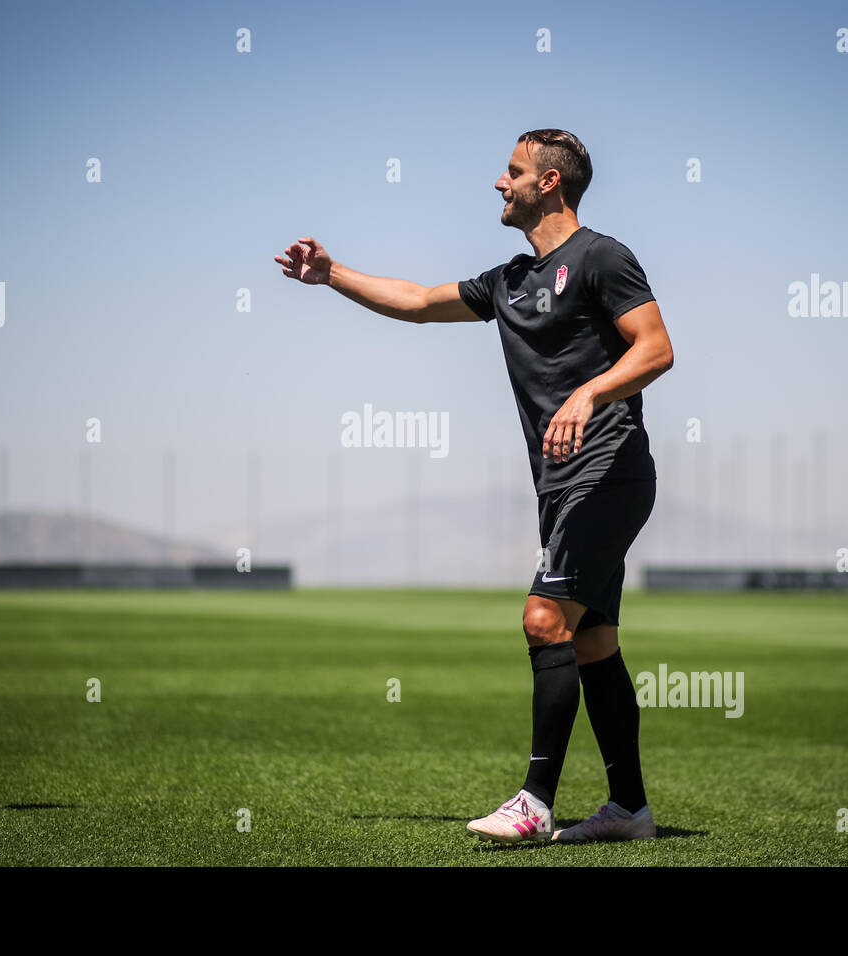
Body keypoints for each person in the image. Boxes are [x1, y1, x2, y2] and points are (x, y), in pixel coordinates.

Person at [275, 129, 674, 844]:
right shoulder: (510, 281)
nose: (499, 182)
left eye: (513, 171)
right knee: (594, 643)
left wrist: (589, 396)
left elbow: (656, 348)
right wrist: (331, 275)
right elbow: (419, 302)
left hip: (609, 473)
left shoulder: (601, 258)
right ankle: (629, 809)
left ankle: (536, 802)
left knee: (543, 619)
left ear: (549, 184)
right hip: (561, 488)